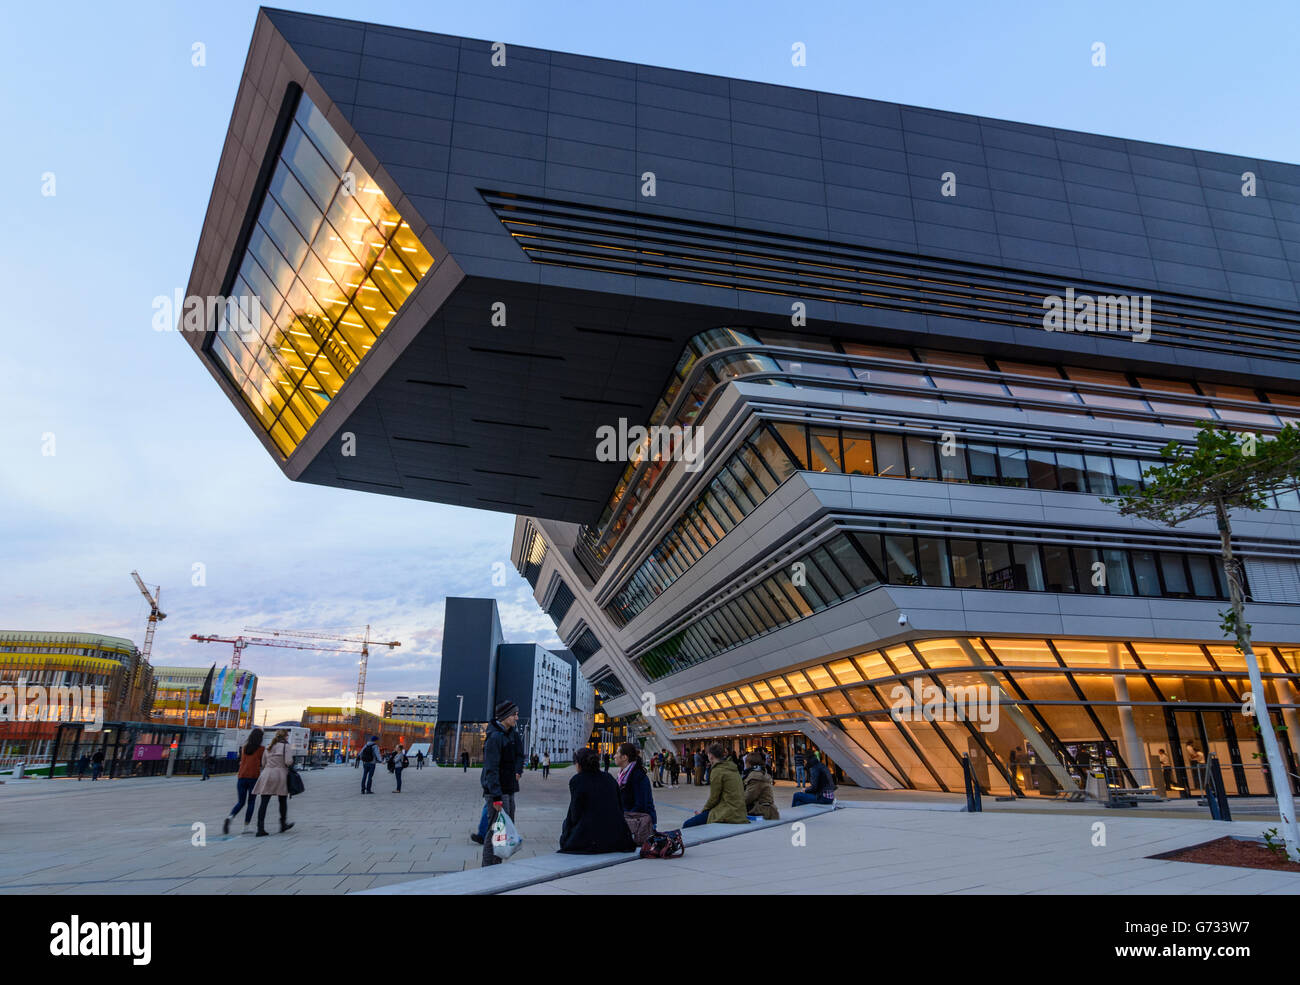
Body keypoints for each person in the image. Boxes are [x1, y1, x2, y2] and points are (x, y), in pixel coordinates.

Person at [560, 748, 637, 854]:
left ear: (579, 764)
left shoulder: (577, 780)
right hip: (617, 837)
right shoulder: (609, 778)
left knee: (566, 824)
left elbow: (575, 814)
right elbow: (619, 807)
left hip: (590, 840)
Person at [479, 700, 523, 866]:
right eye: (514, 715)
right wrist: (496, 797)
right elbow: (491, 769)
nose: (517, 718)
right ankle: (488, 867)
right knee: (495, 831)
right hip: (497, 792)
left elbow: (520, 755)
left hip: (509, 789)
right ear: (505, 716)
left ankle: (496, 866)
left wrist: (518, 771)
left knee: (504, 830)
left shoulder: (511, 733)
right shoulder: (495, 737)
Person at [683, 743, 748, 828]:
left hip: (729, 813)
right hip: (740, 812)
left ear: (711, 756)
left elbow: (714, 798)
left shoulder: (718, 770)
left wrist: (703, 811)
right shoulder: (731, 767)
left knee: (687, 825)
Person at [252, 728, 295, 837]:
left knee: (264, 802)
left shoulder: (268, 747)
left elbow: (263, 763)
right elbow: (288, 761)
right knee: (282, 800)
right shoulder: (286, 746)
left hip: (267, 774)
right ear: (285, 736)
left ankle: (260, 828)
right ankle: (283, 823)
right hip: (280, 774)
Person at [224, 727, 264, 835]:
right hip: (253, 778)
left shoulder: (244, 748)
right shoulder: (261, 749)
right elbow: (262, 763)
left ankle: (230, 817)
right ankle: (246, 827)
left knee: (241, 802)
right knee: (251, 802)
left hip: (241, 777)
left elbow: (242, 761)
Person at [615, 742, 657, 834]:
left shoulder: (638, 776)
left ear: (624, 757)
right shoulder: (622, 775)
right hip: (630, 820)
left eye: (617, 753)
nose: (614, 756)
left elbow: (641, 805)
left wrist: (623, 818)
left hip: (641, 825)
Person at [743, 752, 780, 820]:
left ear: (749, 763)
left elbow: (747, 798)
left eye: (745, 762)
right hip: (764, 809)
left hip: (762, 811)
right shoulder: (760, 773)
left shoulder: (755, 776)